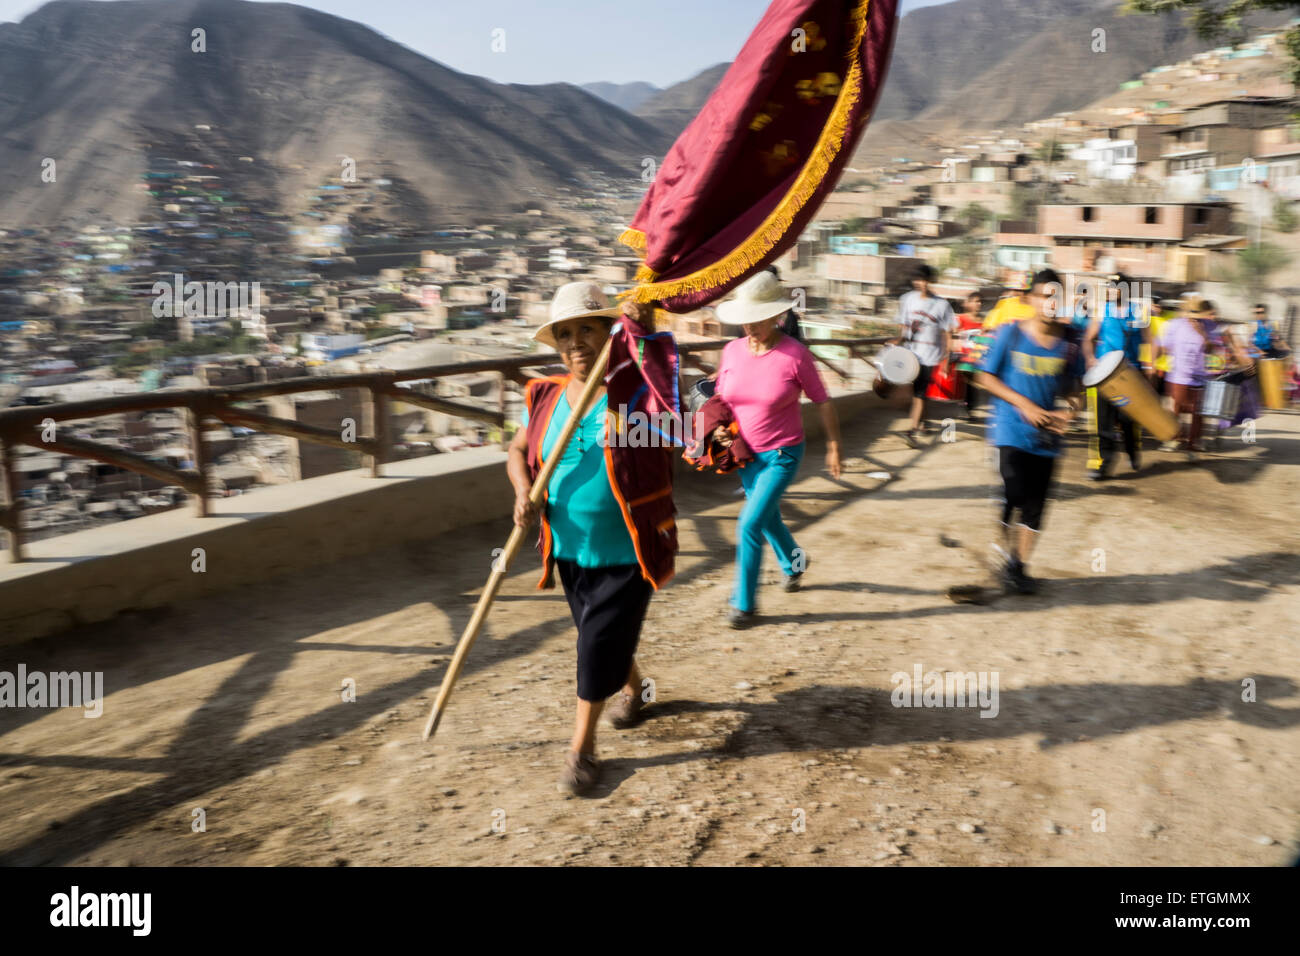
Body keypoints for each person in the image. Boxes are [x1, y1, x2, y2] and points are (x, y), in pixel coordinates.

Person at [507, 281, 678, 796]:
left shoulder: (637, 392)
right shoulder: (543, 396)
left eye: (588, 329)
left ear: (609, 333)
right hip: (568, 548)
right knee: (600, 636)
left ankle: (581, 751)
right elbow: (516, 451)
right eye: (565, 334)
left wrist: (643, 332)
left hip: (628, 548)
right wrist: (523, 491)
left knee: (594, 644)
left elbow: (669, 402)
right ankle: (638, 690)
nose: (576, 342)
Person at [713, 270, 842, 629]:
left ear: (776, 315)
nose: (750, 326)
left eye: (757, 319)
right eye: (746, 319)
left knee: (749, 523)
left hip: (782, 454)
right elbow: (723, 397)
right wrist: (719, 428)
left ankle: (744, 605)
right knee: (768, 518)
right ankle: (795, 563)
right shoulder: (732, 351)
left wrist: (834, 446)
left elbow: (823, 401)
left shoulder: (795, 355)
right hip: (744, 454)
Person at [976, 268, 1084, 595]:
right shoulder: (1010, 334)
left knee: (1036, 508)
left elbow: (1076, 389)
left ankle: (1017, 568)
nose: (1050, 303)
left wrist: (1071, 412)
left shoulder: (1071, 342)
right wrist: (1024, 404)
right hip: (1010, 429)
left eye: (1056, 298)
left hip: (1047, 436)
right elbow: (985, 377)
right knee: (1014, 488)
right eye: (1044, 296)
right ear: (1031, 300)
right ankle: (1004, 535)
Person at [1082, 273, 1151, 480]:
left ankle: (1132, 450)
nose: (1112, 291)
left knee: (1128, 420)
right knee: (1103, 422)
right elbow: (1088, 338)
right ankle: (1103, 465)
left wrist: (1150, 365)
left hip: (1131, 374)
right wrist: (1090, 358)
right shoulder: (1101, 311)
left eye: (1116, 287)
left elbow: (1150, 340)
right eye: (1110, 287)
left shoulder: (1139, 312)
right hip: (1104, 374)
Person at [890, 262, 956, 446]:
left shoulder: (942, 305)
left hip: (930, 356)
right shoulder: (907, 299)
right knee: (918, 393)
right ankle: (923, 423)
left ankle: (912, 431)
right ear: (914, 281)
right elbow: (903, 325)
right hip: (911, 354)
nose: (922, 283)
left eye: (926, 280)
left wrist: (946, 358)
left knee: (919, 394)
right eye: (919, 279)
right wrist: (898, 340)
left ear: (931, 281)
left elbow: (948, 333)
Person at [954, 292, 986, 418]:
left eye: (980, 301)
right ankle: (965, 407)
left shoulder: (983, 321)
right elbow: (952, 334)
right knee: (965, 383)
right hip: (962, 357)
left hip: (977, 358)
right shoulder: (960, 319)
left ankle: (969, 409)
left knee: (973, 385)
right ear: (968, 303)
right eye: (976, 301)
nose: (979, 304)